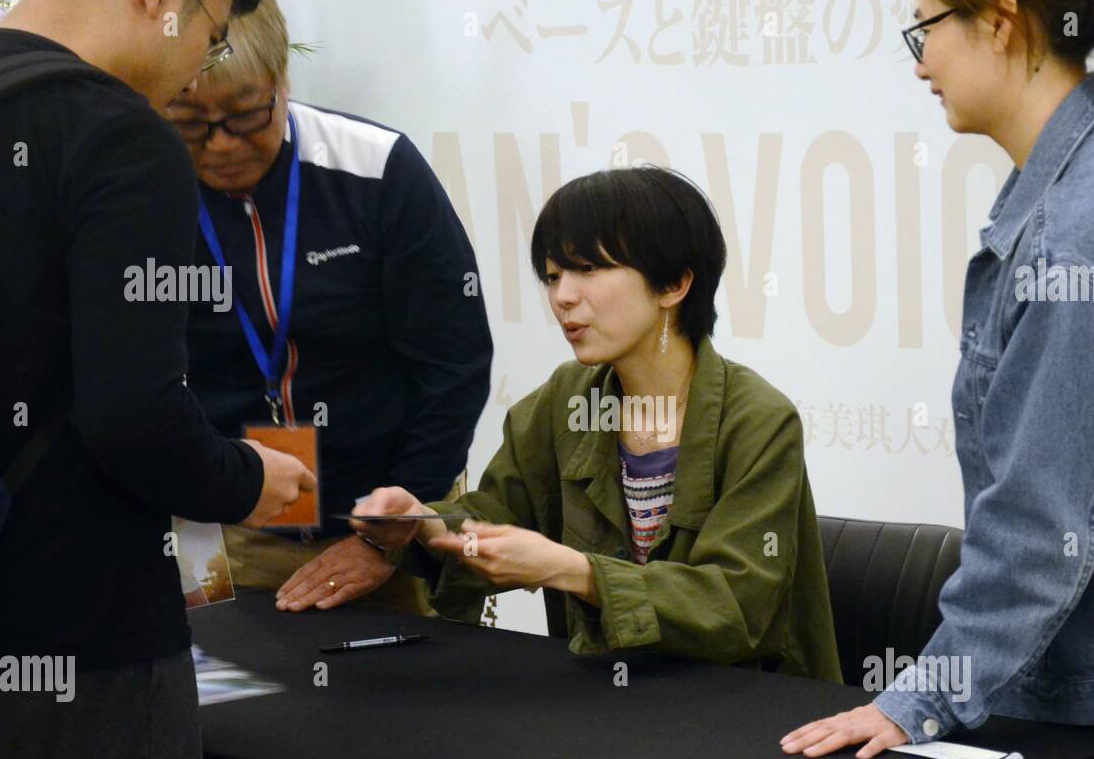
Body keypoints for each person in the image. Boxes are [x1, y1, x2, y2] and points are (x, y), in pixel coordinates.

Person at [782, 0, 1094, 759]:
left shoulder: (1076, 232)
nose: (920, 67)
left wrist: (920, 697)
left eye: (925, 32)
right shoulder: (1073, 191)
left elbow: (1044, 522)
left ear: (1002, 18)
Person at [0, 0, 315, 759]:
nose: (195, 65)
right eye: (209, 35)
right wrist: (246, 478)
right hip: (74, 635)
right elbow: (132, 418)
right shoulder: (117, 135)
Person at [352, 167, 842, 680]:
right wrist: (425, 524)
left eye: (587, 269)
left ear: (674, 283)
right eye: (553, 275)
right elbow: (498, 516)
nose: (562, 296)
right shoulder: (564, 401)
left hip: (744, 712)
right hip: (600, 702)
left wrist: (573, 571)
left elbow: (736, 607)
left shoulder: (759, 419)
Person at [163, 0, 492, 615]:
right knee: (224, 700)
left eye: (246, 116)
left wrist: (387, 538)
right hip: (223, 529)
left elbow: (453, 363)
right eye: (191, 125)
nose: (223, 146)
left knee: (404, 706)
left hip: (386, 526)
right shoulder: (147, 187)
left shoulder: (376, 171)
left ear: (283, 81)